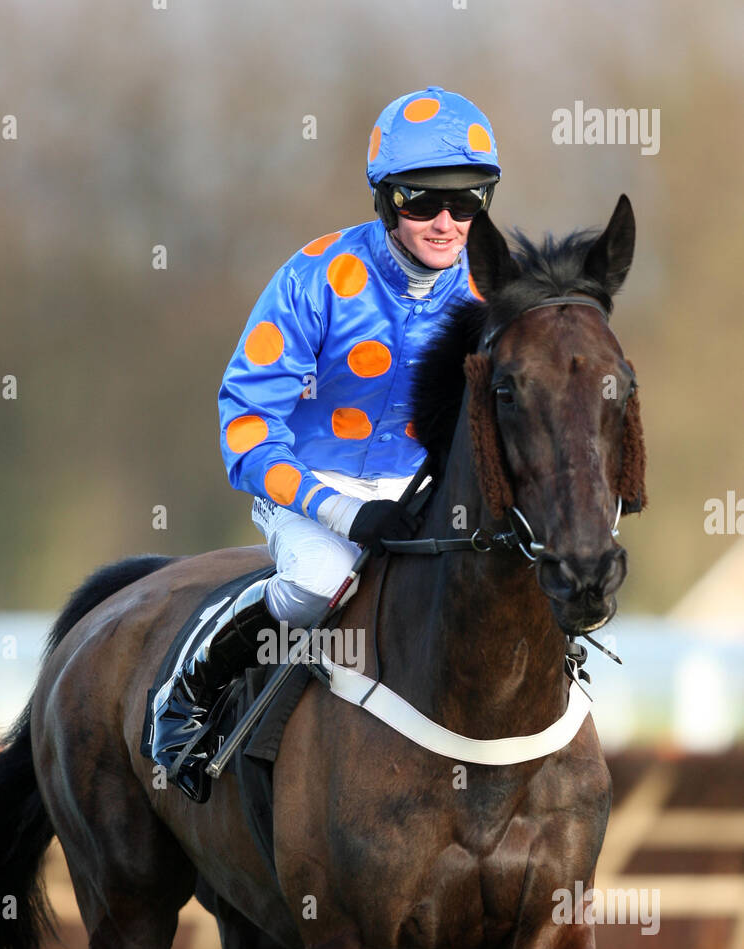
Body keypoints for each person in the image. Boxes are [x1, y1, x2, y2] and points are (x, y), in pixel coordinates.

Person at [152, 86, 501, 799]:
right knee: (321, 581)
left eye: (466, 203)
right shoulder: (313, 278)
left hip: (424, 495)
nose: (445, 222)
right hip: (309, 491)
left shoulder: (493, 291)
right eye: (421, 201)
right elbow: (247, 427)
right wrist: (342, 512)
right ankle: (187, 691)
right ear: (384, 199)